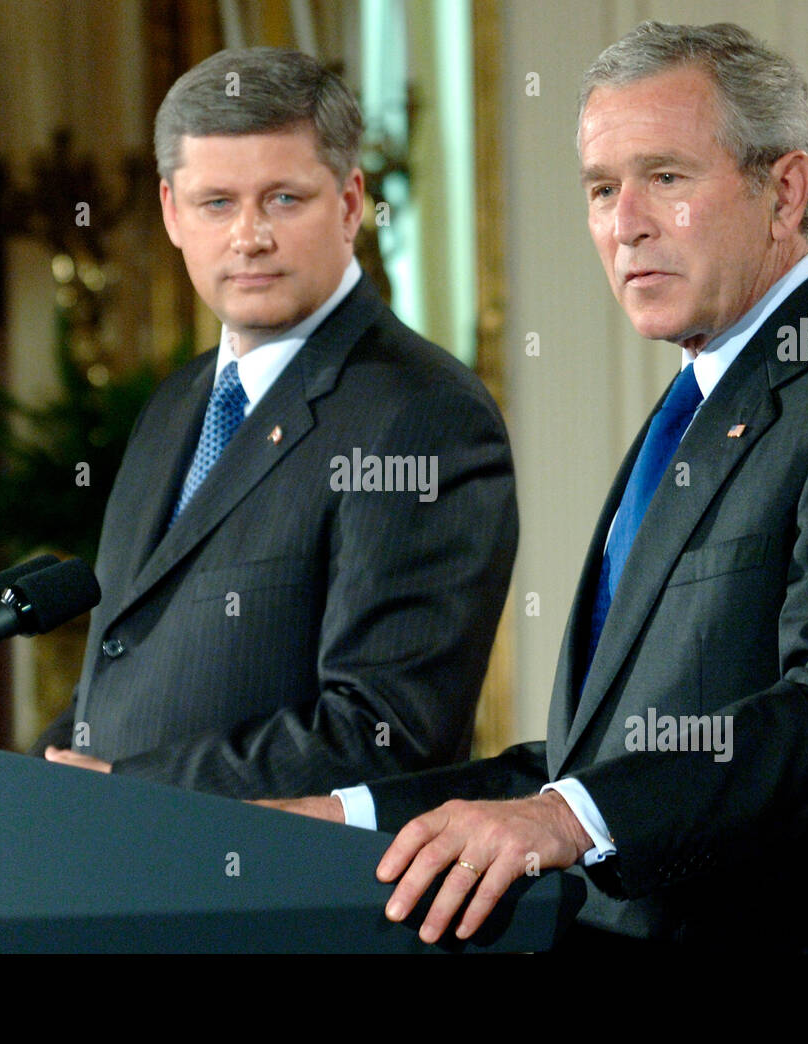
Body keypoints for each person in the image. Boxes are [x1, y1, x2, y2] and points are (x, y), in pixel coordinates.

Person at [271, 21, 808, 953]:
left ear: (783, 191)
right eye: (601, 189)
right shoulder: (696, 409)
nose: (626, 223)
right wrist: (344, 815)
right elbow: (595, 763)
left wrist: (566, 818)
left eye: (666, 177)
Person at [31, 48, 517, 799]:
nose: (249, 236)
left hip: (276, 900)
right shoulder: (172, 406)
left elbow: (385, 730)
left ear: (351, 203)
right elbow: (117, 681)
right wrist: (34, 783)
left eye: (284, 200)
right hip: (121, 888)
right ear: (171, 213)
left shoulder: (424, 415)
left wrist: (129, 789)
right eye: (216, 203)